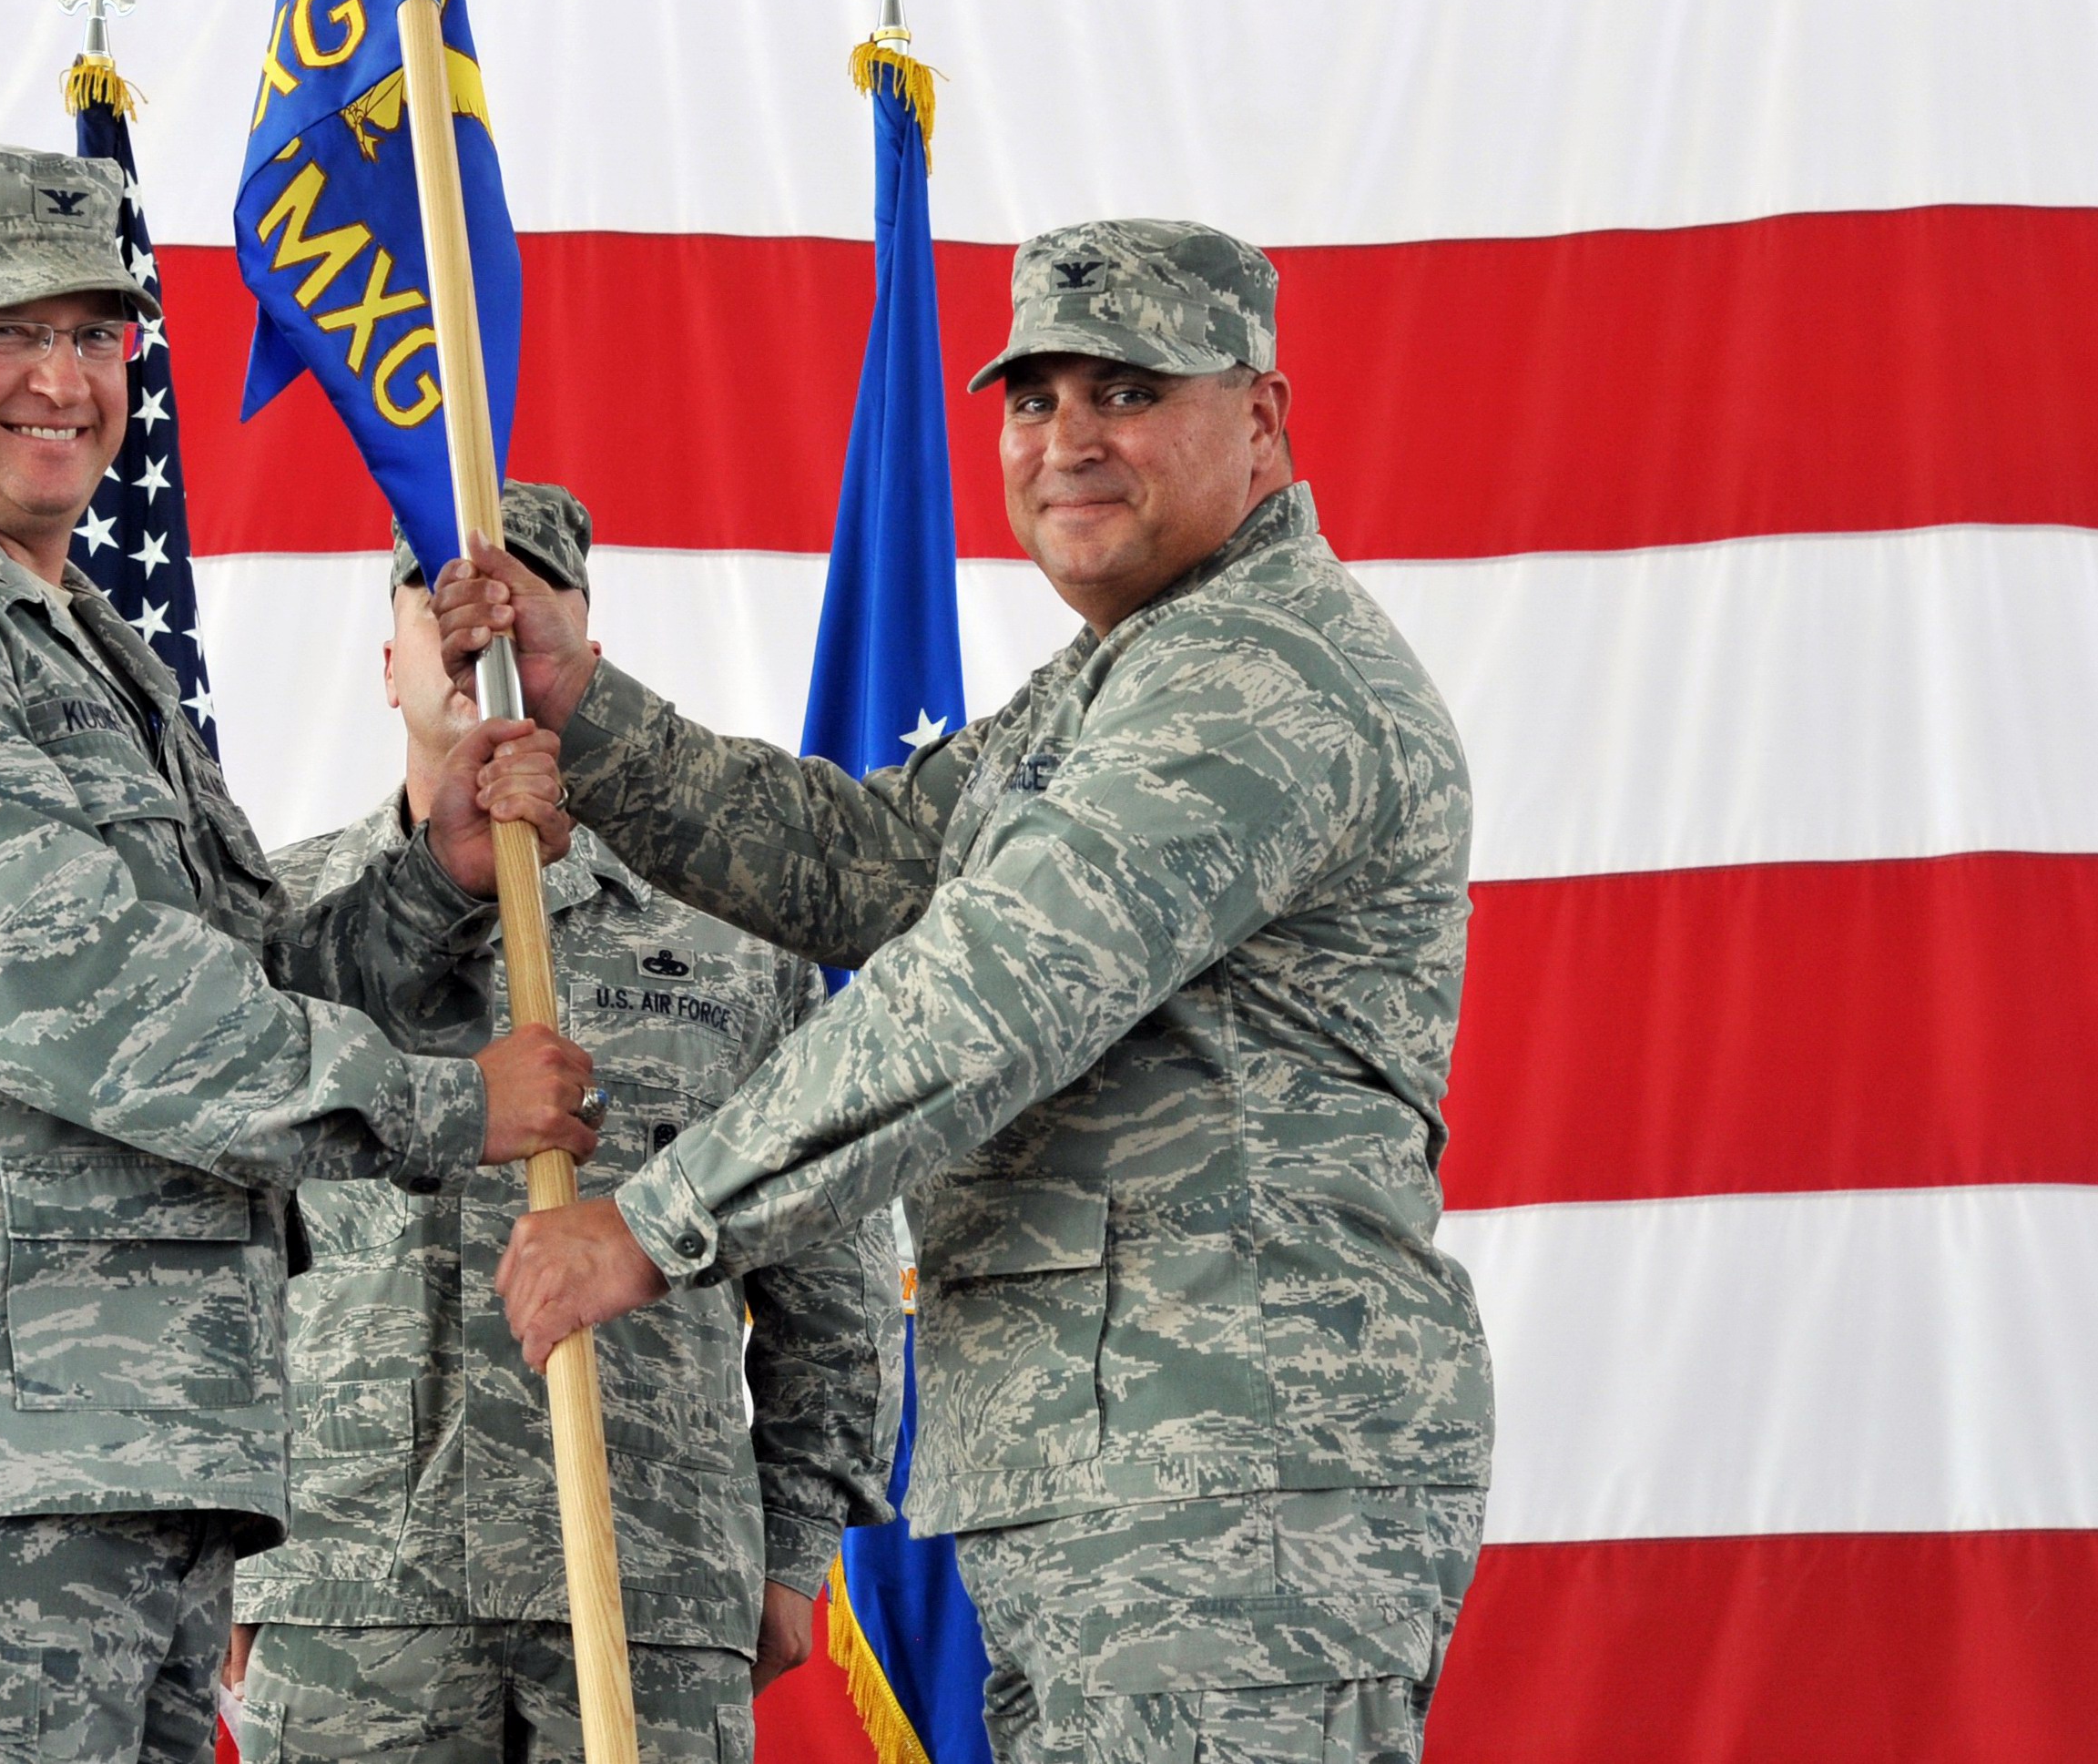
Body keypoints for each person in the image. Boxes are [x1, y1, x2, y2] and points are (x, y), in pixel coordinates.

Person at [452, 222, 1495, 1764]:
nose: (1065, 441)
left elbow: (986, 992)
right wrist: (584, 714)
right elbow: (874, 860)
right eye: (1031, 397)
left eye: (1125, 391)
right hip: (1129, 1474)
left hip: (1228, 1492)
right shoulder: (1128, 671)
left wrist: (659, 1221)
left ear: (1261, 423)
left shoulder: (1259, 679)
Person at [0, 142, 602, 1764]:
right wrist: (460, 1108)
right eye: (7, 330)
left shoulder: (80, 645)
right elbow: (82, 1004)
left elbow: (239, 980)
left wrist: (434, 873)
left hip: (122, 1479)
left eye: (99, 333)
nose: (66, 378)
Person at [223, 486, 902, 1764]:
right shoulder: (276, 922)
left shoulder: (731, 936)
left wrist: (795, 1544)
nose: (480, 633)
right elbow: (214, 1240)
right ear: (387, 663)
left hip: (649, 1577)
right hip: (349, 1589)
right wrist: (226, 1556)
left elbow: (830, 1250)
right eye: (444, 604)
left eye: (521, 601)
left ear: (581, 647)